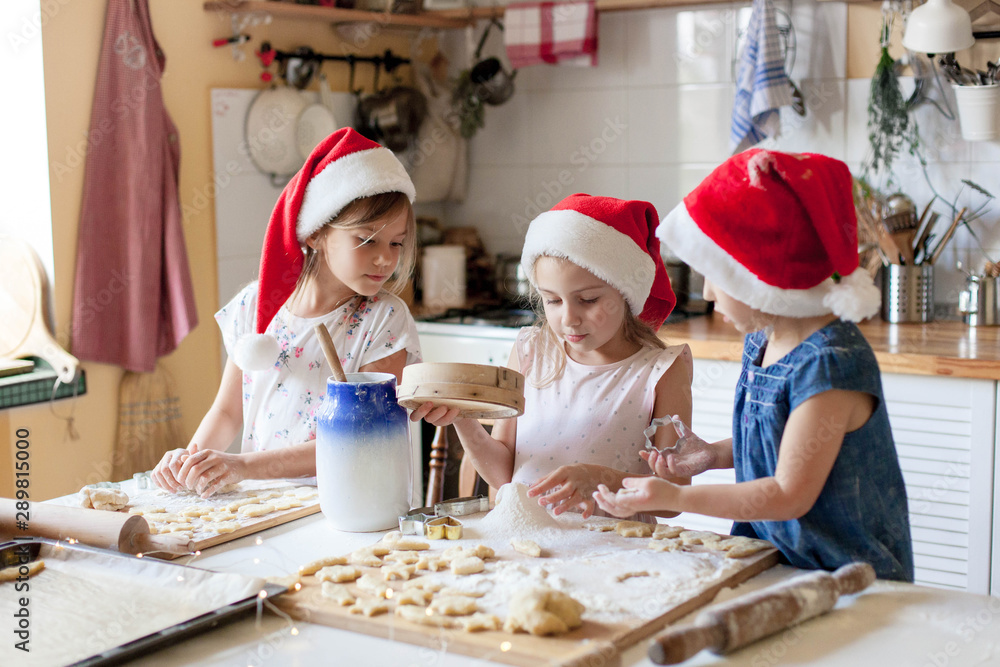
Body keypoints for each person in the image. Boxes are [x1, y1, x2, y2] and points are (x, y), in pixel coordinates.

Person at [593, 149, 914, 582]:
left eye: (718, 276)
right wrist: (713, 455)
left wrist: (674, 497)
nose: (707, 294)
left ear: (761, 274)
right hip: (777, 559)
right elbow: (778, 442)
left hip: (846, 576)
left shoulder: (830, 367)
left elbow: (787, 495)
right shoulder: (764, 341)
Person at [151, 129, 422, 497]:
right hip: (262, 506)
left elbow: (359, 434)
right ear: (314, 234)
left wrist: (241, 466)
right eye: (366, 239)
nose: (385, 259)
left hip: (346, 508)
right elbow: (228, 412)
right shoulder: (255, 307)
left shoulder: (385, 322)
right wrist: (191, 462)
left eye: (396, 243)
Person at [411, 194, 693, 520]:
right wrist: (462, 417)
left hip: (616, 554)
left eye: (587, 299)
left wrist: (604, 480)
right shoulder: (530, 350)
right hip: (528, 544)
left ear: (627, 292)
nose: (569, 318)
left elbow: (675, 496)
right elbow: (504, 474)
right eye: (552, 300)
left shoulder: (661, 371)